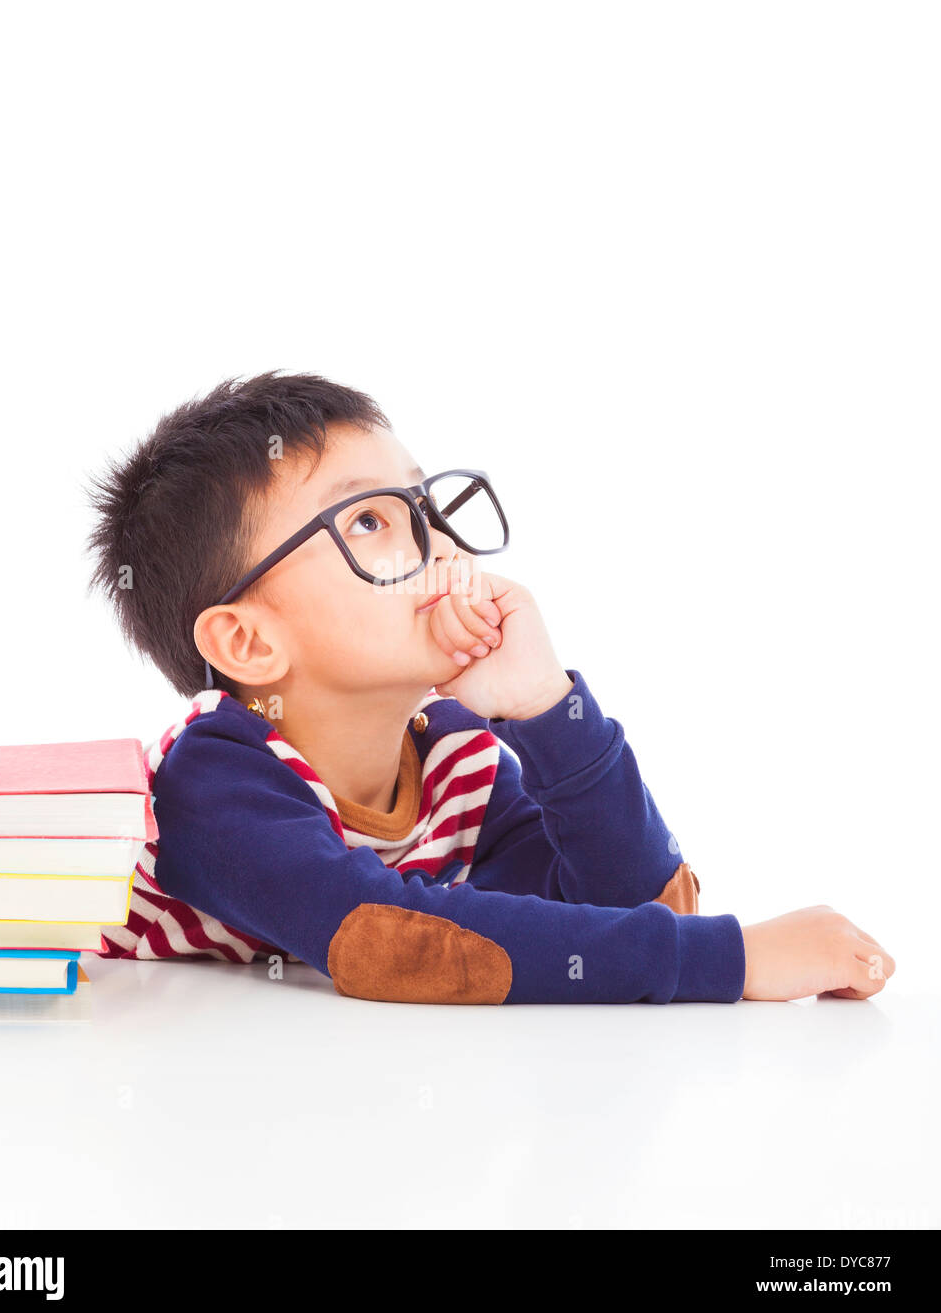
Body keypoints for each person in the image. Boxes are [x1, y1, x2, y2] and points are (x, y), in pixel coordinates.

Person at [83, 370, 895, 1004]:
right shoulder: (212, 779)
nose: (435, 541)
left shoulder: (456, 758)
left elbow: (636, 906)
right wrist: (735, 958)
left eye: (421, 505)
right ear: (247, 641)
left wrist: (545, 706)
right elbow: (387, 941)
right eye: (367, 520)